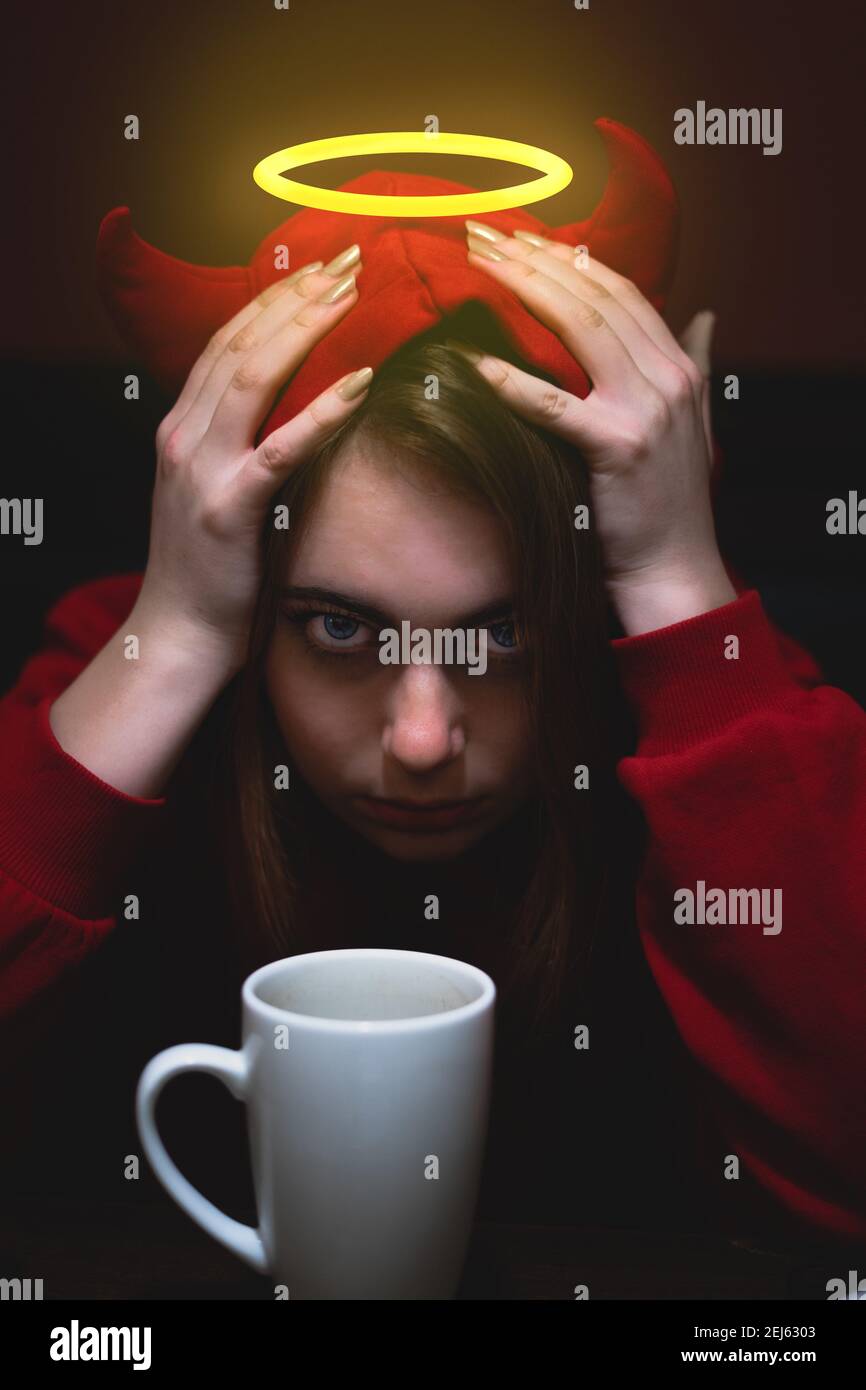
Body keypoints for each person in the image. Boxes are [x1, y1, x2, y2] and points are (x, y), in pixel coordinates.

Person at [2, 164, 865, 1271]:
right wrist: (167, 641)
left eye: (503, 636)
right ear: (240, 588)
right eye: (337, 628)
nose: (421, 741)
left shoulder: (718, 703)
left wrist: (672, 577)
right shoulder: (127, 664)